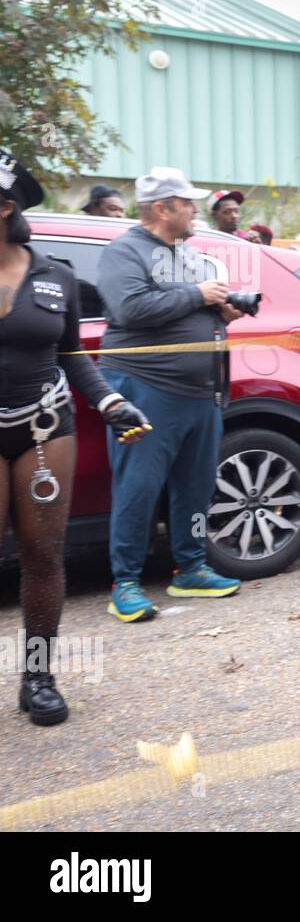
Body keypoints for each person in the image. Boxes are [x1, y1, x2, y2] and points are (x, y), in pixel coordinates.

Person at [0, 153, 151, 723]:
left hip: (44, 429)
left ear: (7, 206)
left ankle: (37, 678)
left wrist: (111, 401)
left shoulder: (55, 275)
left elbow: (70, 357)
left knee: (42, 557)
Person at [96, 166, 243, 622]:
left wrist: (224, 313)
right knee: (138, 489)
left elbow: (193, 308)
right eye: (188, 203)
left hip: (199, 394)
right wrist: (197, 295)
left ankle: (192, 568)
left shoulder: (187, 254)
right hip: (145, 389)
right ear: (162, 208)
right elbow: (131, 307)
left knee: (195, 488)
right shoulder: (124, 252)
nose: (196, 210)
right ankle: (126, 583)